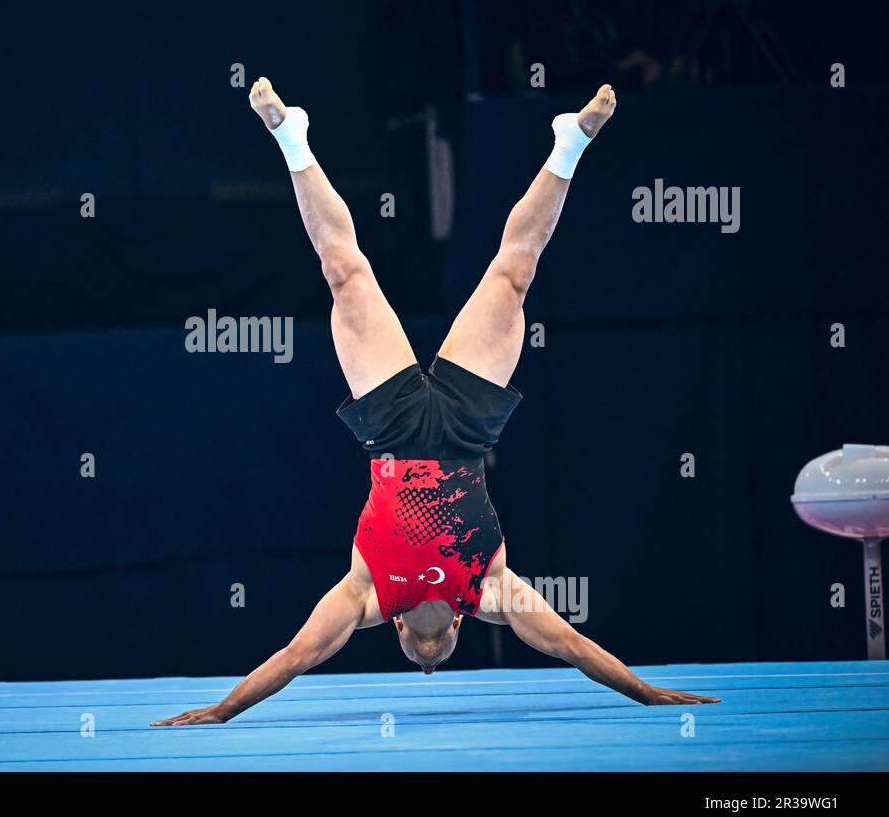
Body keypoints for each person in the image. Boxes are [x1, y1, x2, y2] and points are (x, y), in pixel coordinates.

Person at [153, 78, 719, 726]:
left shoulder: (365, 595)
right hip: (466, 429)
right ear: (460, 629)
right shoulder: (492, 591)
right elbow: (571, 646)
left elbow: (295, 656)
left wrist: (224, 711)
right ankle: (568, 146)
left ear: (393, 633)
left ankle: (290, 137)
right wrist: (644, 692)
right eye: (439, 648)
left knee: (345, 272)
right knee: (513, 273)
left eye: (418, 648)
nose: (427, 648)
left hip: (390, 427)